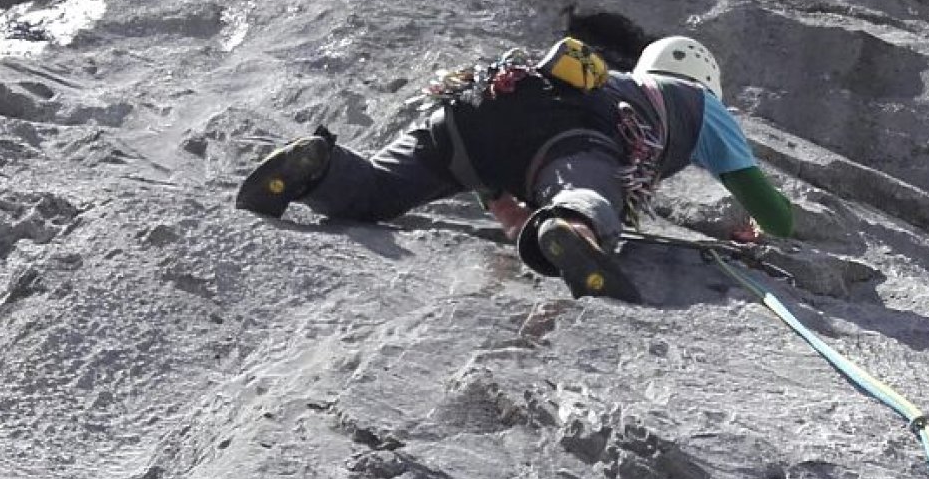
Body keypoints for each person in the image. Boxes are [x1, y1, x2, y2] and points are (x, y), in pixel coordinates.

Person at [234, 34, 796, 301]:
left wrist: (507, 209)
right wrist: (762, 231)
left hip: (477, 109)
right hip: (565, 134)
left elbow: (502, 191)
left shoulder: (613, 79)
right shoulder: (706, 108)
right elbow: (775, 212)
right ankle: (573, 226)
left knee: (378, 192)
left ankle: (318, 168)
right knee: (588, 190)